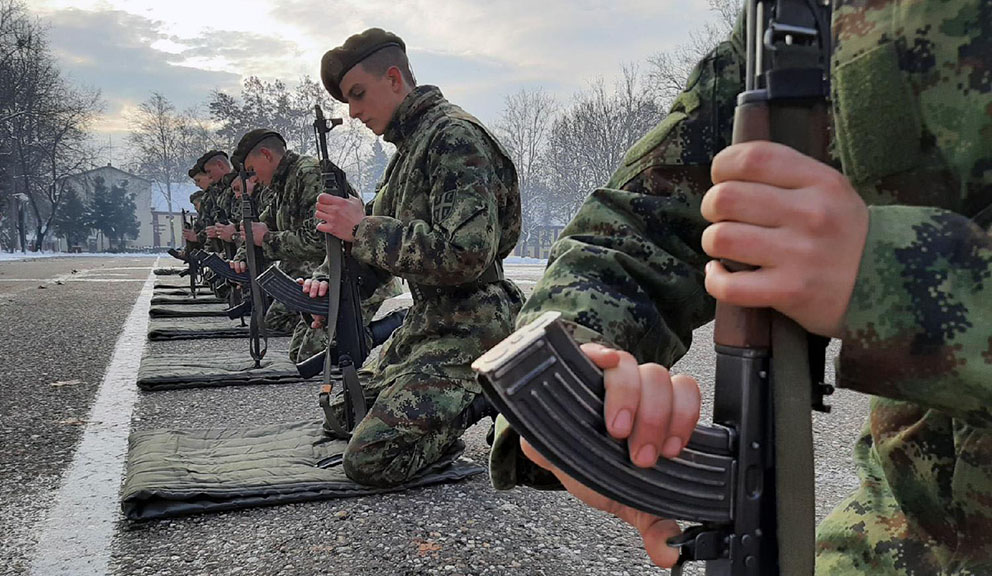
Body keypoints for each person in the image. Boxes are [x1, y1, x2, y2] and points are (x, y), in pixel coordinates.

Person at [488, 3, 992, 574]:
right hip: (906, 528)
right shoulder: (801, 14)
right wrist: (579, 383)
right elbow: (644, 218)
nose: (357, 112)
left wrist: (894, 279)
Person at [307, 27, 525, 487]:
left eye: (359, 94)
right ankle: (444, 413)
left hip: (474, 325)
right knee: (345, 409)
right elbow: (374, 251)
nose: (354, 112)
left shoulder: (453, 137)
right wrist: (328, 283)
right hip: (430, 322)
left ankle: (490, 392)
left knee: (370, 460)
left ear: (393, 79)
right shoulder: (409, 151)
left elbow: (467, 254)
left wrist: (361, 226)